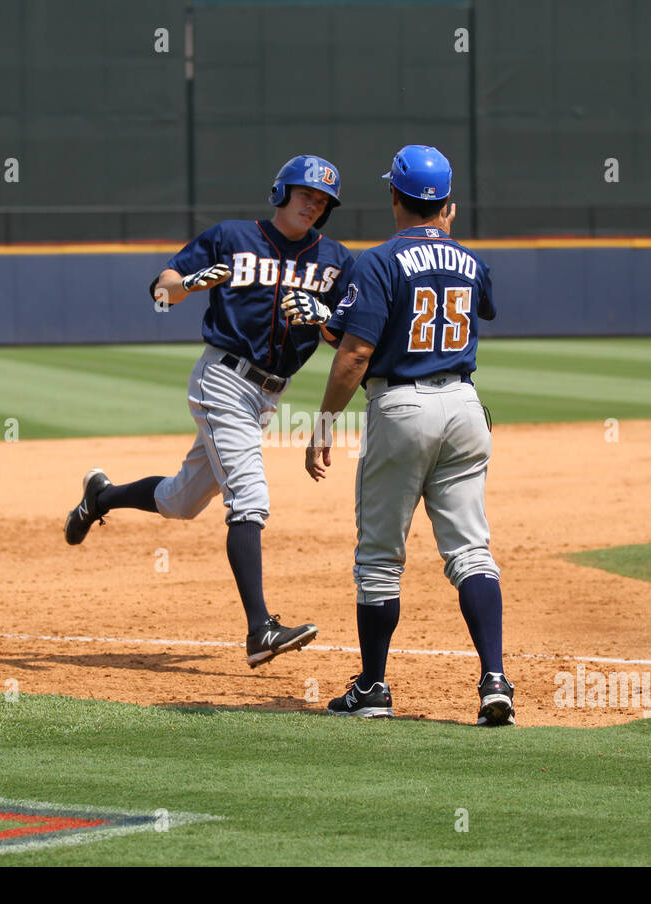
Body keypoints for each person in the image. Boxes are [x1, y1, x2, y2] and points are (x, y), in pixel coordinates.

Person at [62, 155, 354, 667]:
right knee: (250, 497)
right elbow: (162, 291)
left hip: (268, 395)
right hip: (223, 379)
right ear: (282, 192)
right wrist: (195, 282)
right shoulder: (232, 237)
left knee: (180, 500)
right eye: (306, 193)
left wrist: (327, 317)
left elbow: (351, 334)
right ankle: (260, 630)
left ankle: (99, 497)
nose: (314, 204)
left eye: (323, 200)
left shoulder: (335, 260)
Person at [296, 144, 512, 726]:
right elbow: (479, 306)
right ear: (447, 204)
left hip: (401, 407)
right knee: (471, 551)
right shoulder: (470, 259)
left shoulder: (377, 260)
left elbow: (355, 354)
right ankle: (494, 679)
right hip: (465, 406)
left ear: (394, 195)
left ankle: (372, 687)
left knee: (379, 558)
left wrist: (323, 423)